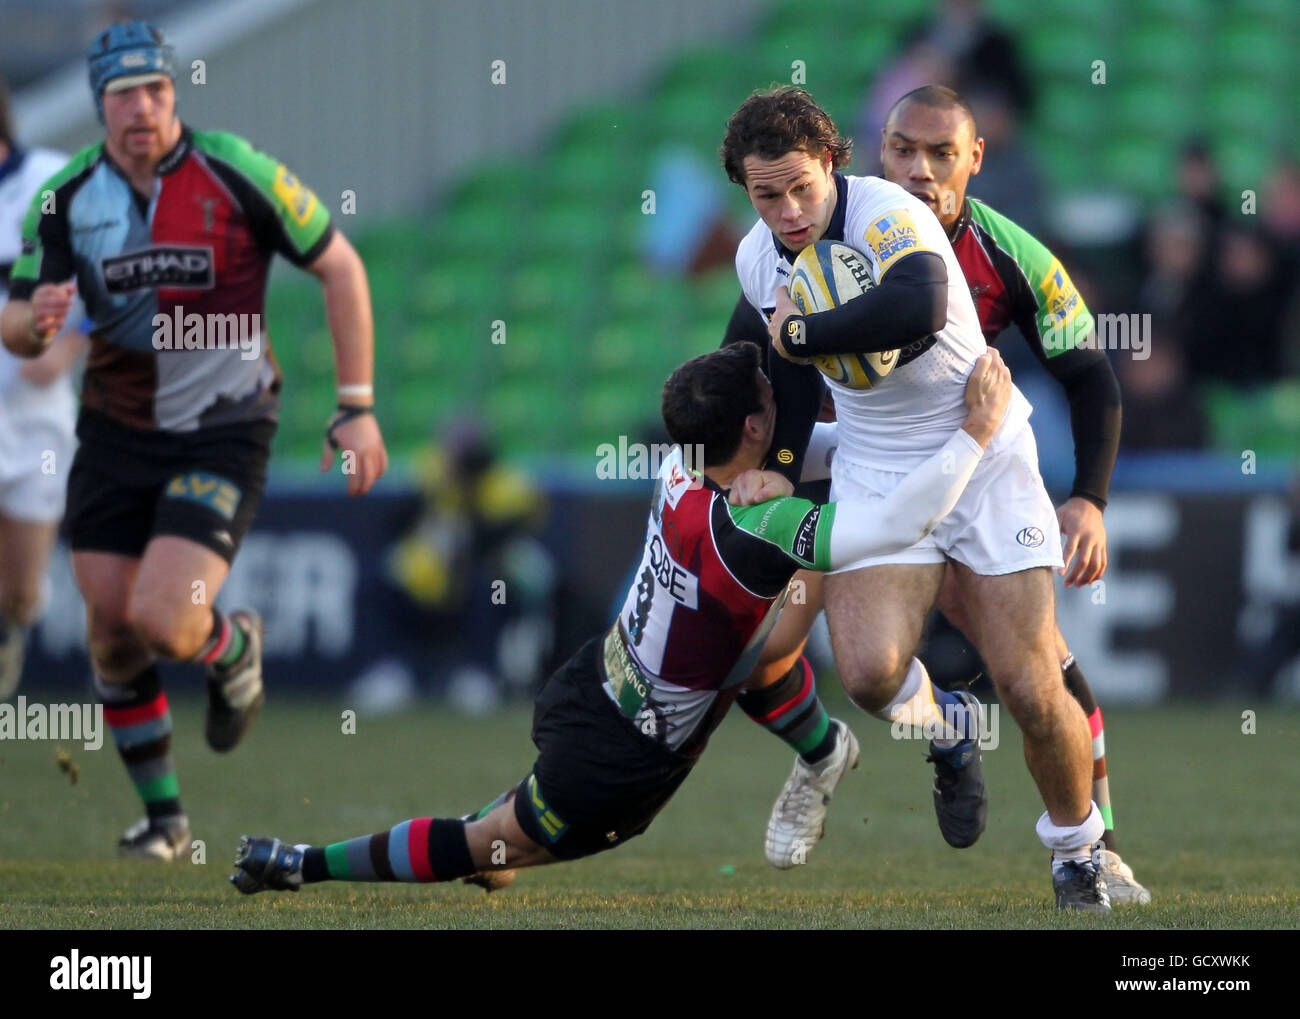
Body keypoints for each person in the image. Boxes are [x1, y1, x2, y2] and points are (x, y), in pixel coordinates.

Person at [229, 342, 1012, 895]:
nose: (785, 401)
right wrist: (974, 431)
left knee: (750, 655)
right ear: (749, 430)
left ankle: (821, 750)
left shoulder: (683, 462)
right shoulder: (753, 526)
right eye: (772, 399)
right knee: (491, 841)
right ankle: (300, 862)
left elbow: (827, 455)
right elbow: (891, 521)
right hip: (627, 751)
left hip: (605, 674)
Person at [0, 21, 388, 859]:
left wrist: (355, 406)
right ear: (99, 104)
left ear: (174, 92)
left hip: (222, 425)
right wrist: (33, 326)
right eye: (123, 95)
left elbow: (340, 266)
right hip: (113, 428)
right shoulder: (63, 197)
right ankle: (166, 821)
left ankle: (233, 641)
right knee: (108, 625)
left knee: (165, 621)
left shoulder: (236, 169)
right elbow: (17, 319)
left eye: (157, 90)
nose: (143, 108)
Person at [719, 86, 1108, 910]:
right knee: (865, 674)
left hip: (985, 446)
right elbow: (787, 378)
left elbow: (920, 304)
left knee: (1034, 687)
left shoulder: (887, 209)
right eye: (766, 195)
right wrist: (783, 465)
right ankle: (953, 729)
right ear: (745, 193)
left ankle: (1078, 851)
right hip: (876, 463)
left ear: (834, 163)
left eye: (802, 187)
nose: (789, 211)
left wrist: (797, 330)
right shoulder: (756, 256)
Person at [877, 84, 1147, 903]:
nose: (920, 171)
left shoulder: (1015, 256)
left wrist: (1089, 498)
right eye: (902, 151)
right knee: (834, 660)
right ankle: (943, 730)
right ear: (876, 153)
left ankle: (1094, 847)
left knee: (1036, 676)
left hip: (969, 469)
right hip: (847, 462)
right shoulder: (824, 231)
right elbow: (751, 337)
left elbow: (1091, 378)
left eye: (941, 154)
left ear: (975, 159)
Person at [0, 75, 89, 700]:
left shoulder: (53, 182)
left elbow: (109, 274)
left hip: (33, 416)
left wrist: (67, 345)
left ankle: (11, 629)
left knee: (20, 592)